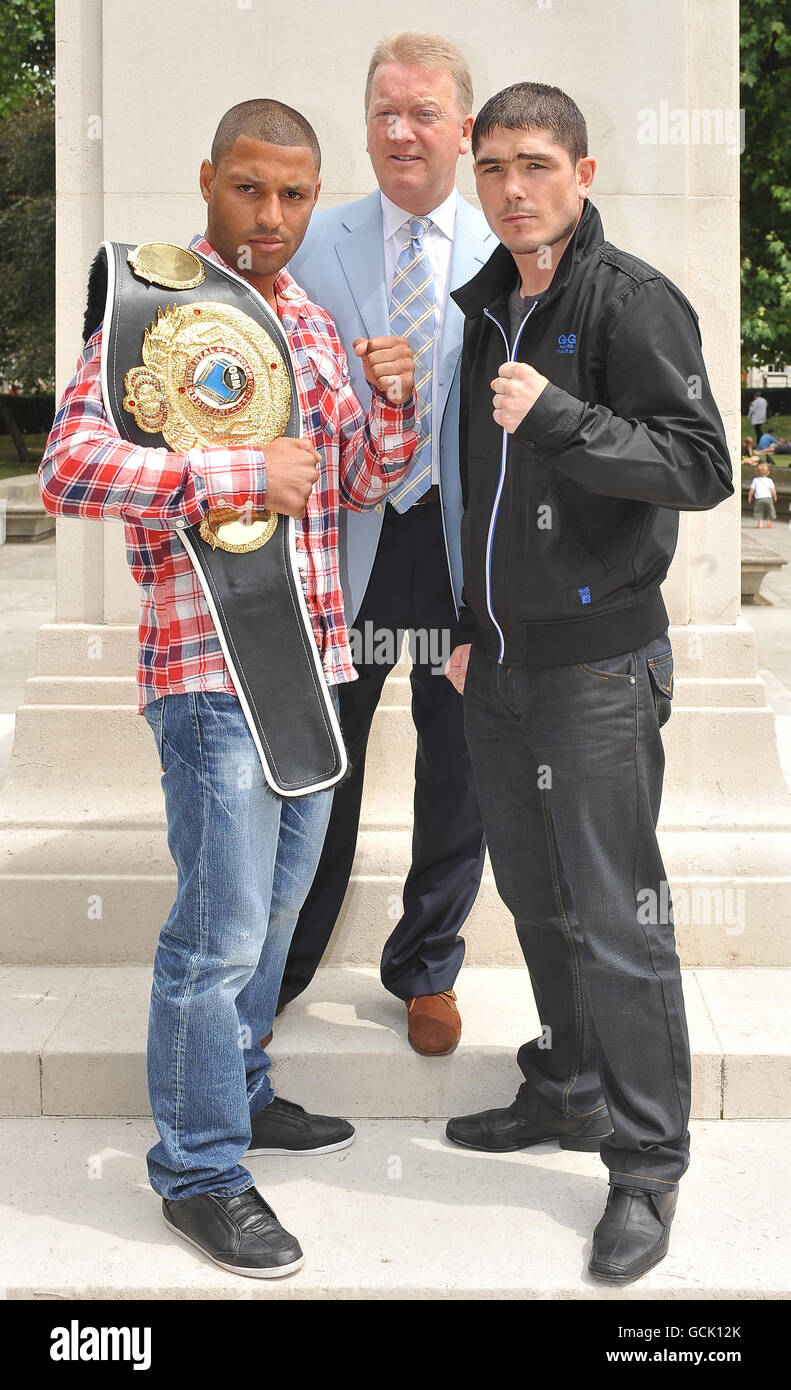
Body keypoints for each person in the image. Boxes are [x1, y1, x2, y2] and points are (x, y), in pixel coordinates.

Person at [39, 100, 419, 1279]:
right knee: (212, 941)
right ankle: (200, 1171)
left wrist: (392, 402)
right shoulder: (154, 302)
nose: (272, 218)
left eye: (295, 195)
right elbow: (70, 467)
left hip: (311, 669)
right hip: (209, 677)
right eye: (249, 190)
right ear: (207, 179)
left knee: (268, 927)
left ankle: (242, 1094)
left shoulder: (303, 316)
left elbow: (357, 478)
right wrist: (245, 467)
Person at [443, 82, 732, 1284]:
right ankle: (565, 1087)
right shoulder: (481, 310)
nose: (514, 190)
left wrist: (562, 418)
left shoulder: (629, 300)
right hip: (498, 665)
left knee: (618, 918)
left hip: (599, 666)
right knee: (530, 893)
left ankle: (646, 1166)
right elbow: (475, 489)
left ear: (583, 170)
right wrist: (465, 622)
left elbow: (699, 462)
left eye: (536, 165)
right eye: (495, 167)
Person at [280, 31, 497, 1057]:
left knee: (459, 768)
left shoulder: (510, 250)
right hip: (344, 546)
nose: (400, 131)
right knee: (322, 763)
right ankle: (283, 965)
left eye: (421, 112)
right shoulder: (311, 241)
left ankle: (425, 966)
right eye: (382, 111)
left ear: (463, 126)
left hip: (461, 557)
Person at [749, 460, 777, 527]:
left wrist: (750, 496)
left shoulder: (755, 480)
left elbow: (752, 490)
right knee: (769, 510)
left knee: (759, 511)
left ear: (757, 472)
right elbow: (773, 490)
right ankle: (768, 522)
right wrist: (775, 496)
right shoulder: (769, 480)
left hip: (759, 499)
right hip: (768, 498)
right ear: (768, 472)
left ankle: (760, 524)